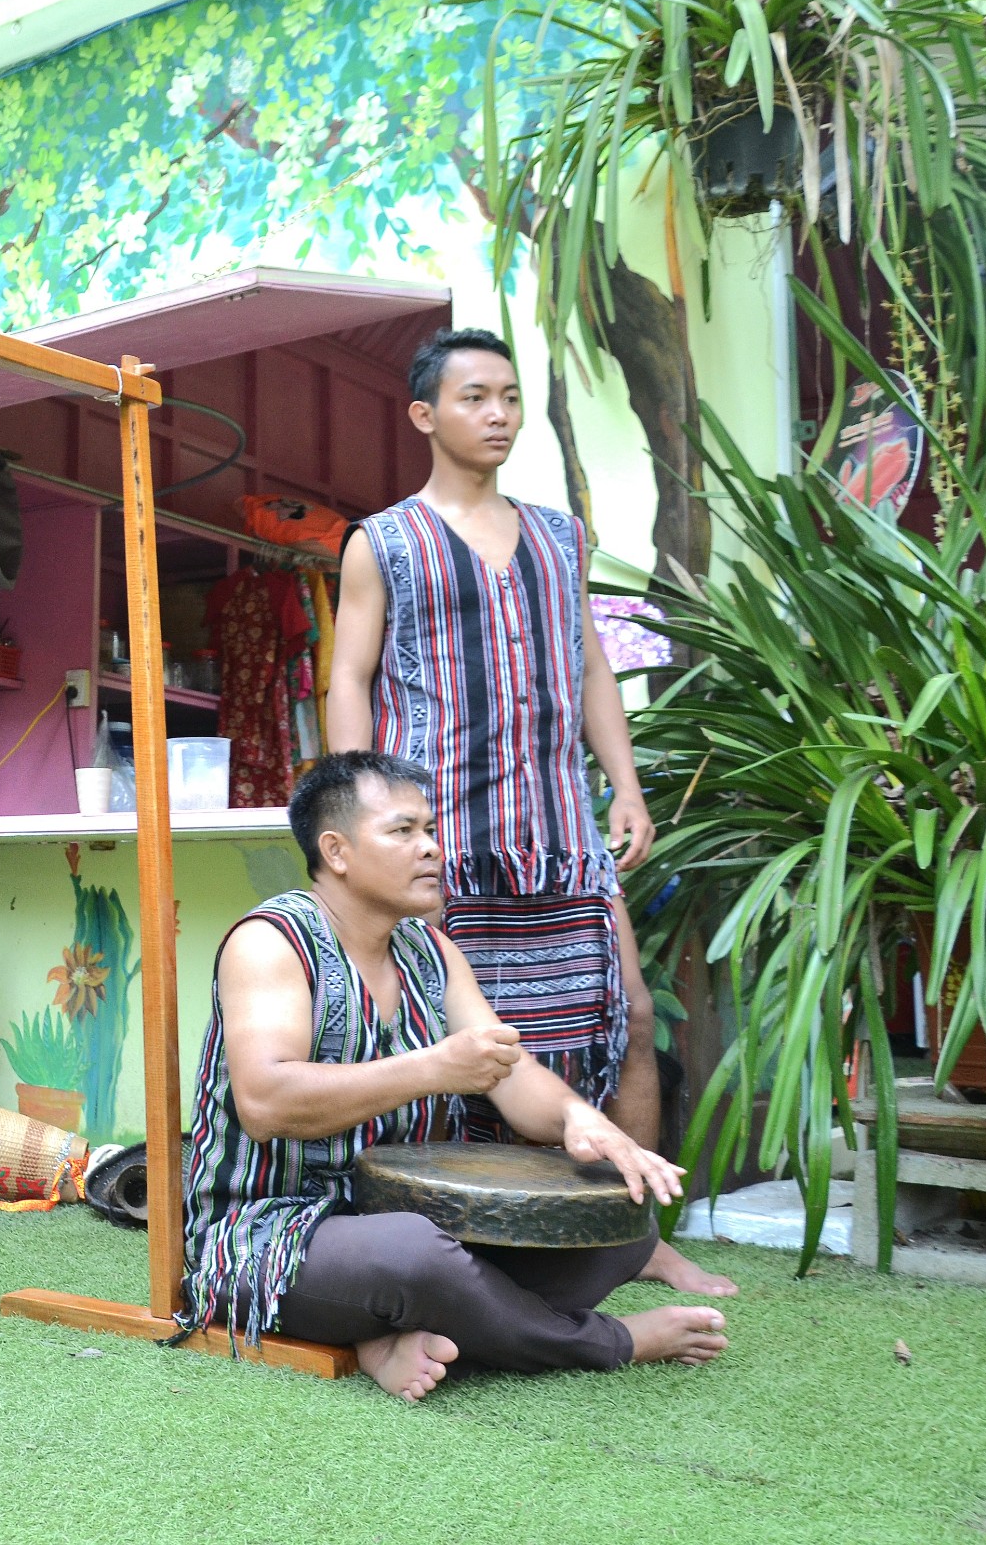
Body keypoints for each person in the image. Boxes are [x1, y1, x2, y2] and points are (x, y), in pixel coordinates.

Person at [325, 326, 734, 1300]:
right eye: (474, 397)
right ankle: (468, 1248)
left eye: (507, 396)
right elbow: (346, 674)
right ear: (425, 415)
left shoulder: (558, 535)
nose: (498, 413)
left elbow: (590, 662)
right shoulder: (381, 542)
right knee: (460, 1050)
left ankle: (634, 1239)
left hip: (561, 832)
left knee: (629, 1018)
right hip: (445, 848)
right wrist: (353, 819)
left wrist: (624, 784)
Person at [180, 752, 727, 1400]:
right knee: (414, 1255)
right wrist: (434, 1067)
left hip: (408, 1223)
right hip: (267, 1236)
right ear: (337, 851)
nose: (432, 848)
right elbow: (267, 1101)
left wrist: (583, 1120)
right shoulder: (272, 942)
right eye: (403, 831)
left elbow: (511, 1074)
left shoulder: (431, 952)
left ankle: (390, 1334)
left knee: (617, 1228)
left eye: (430, 830)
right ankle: (608, 1342)